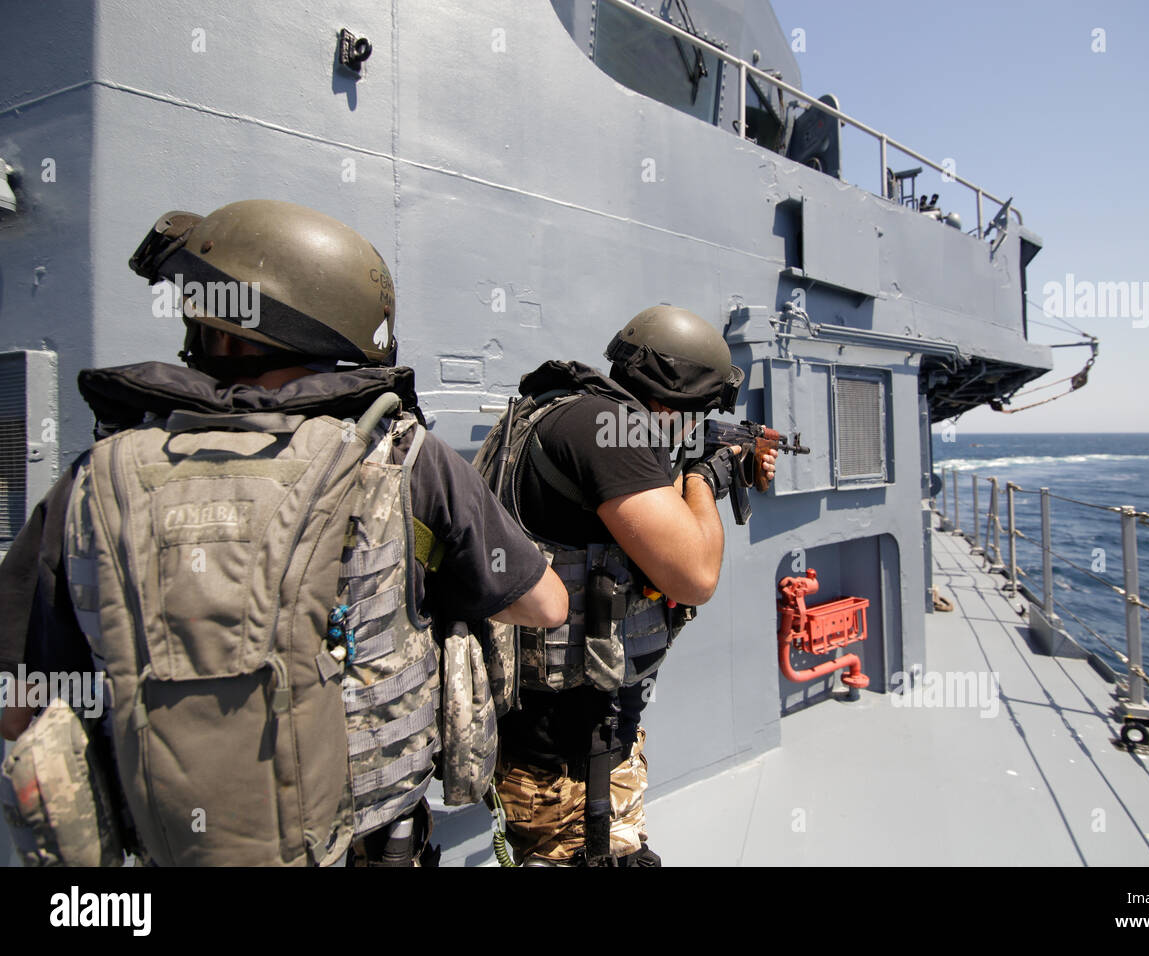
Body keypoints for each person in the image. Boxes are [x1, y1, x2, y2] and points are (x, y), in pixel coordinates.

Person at [0, 199, 568, 867]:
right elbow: (545, 604)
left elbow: (21, 708)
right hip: (366, 847)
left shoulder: (100, 475)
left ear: (216, 333)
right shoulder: (405, 457)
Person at [480, 305, 776, 866]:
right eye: (700, 413)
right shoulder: (608, 433)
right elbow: (696, 577)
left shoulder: (561, 413)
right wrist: (704, 475)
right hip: (573, 765)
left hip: (550, 739)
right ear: (680, 403)